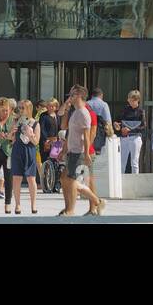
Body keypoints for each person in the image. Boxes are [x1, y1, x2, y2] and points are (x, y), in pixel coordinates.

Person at [59, 86, 104, 216]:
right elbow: (66, 129)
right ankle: (96, 201)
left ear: (78, 95)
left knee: (74, 181)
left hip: (80, 152)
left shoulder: (85, 113)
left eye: (72, 95)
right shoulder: (75, 112)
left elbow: (88, 135)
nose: (69, 97)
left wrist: (86, 154)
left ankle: (72, 210)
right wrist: (65, 149)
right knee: (66, 179)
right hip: (73, 151)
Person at [9, 99, 39, 215]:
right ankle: (17, 205)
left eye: (23, 108)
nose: (20, 110)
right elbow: (10, 138)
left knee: (31, 179)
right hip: (17, 151)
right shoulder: (16, 120)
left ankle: (33, 204)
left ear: (29, 109)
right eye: (19, 107)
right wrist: (12, 131)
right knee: (16, 179)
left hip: (29, 151)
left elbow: (36, 142)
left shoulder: (35, 123)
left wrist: (30, 134)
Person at [116, 89, 146, 174]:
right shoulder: (124, 110)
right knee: (122, 162)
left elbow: (143, 126)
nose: (130, 101)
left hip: (135, 138)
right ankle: (120, 181)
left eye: (133, 100)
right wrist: (118, 126)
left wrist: (130, 129)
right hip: (124, 138)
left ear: (137, 100)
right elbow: (118, 121)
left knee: (134, 162)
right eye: (129, 99)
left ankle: (135, 182)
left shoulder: (141, 111)